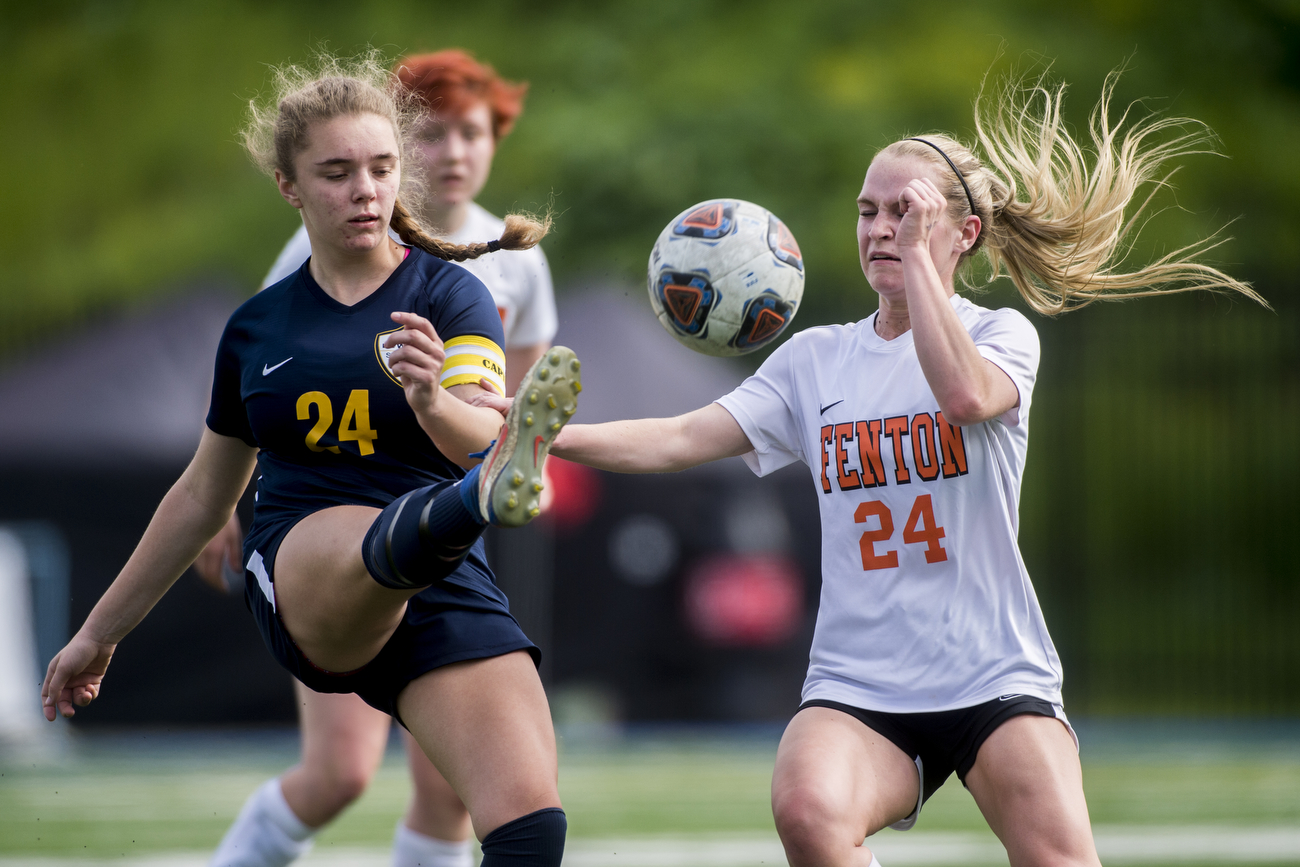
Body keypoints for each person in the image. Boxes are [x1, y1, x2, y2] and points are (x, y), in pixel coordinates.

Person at [532, 70, 1265, 867]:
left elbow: (964, 394)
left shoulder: (1002, 335)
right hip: (861, 684)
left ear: (965, 233)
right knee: (808, 812)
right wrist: (537, 432)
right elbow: (676, 438)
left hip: (992, 671)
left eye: (906, 212)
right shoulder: (815, 360)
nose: (883, 228)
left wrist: (917, 259)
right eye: (869, 211)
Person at [40, 53, 580, 867]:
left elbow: (481, 438)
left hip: (440, 573)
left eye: (382, 169)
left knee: (531, 829)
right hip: (306, 567)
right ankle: (467, 505)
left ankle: (464, 507)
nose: (365, 190)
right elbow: (200, 493)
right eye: (336, 173)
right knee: (341, 754)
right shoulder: (257, 328)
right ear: (289, 186)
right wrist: (98, 633)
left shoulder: (452, 293)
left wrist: (433, 401)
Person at [197, 49, 558, 867]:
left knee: (462, 790)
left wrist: (500, 451)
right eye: (435, 133)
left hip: (440, 521)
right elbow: (256, 382)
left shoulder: (512, 262)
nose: (454, 152)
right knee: (341, 772)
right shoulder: (321, 250)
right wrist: (218, 504)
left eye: (473, 133)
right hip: (329, 533)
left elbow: (508, 418)